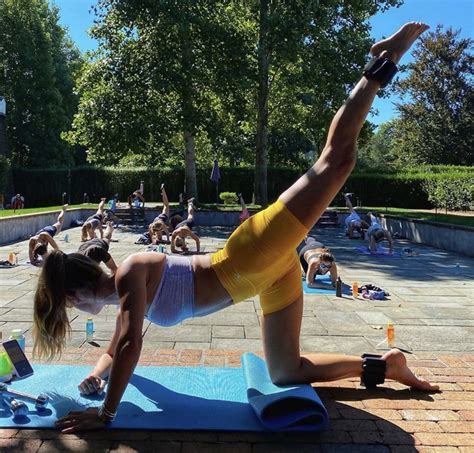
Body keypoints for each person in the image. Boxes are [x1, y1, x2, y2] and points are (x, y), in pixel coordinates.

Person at [32, 23, 437, 433]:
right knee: (285, 371)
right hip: (266, 277)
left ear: (75, 293)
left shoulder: (131, 272)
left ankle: (382, 61)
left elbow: (128, 345)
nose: (75, 310)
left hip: (252, 252)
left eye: (68, 305)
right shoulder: (124, 297)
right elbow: (120, 345)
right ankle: (387, 364)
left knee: (337, 161)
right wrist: (99, 375)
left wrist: (106, 415)